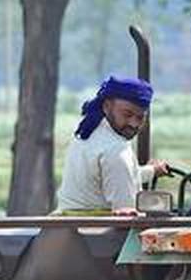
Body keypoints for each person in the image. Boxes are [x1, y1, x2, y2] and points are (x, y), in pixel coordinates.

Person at [55, 75, 170, 215]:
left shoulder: (88, 133)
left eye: (140, 117)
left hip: (68, 226)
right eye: (127, 115)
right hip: (99, 233)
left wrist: (152, 171)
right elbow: (127, 212)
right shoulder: (116, 150)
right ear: (107, 106)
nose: (134, 124)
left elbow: (115, 177)